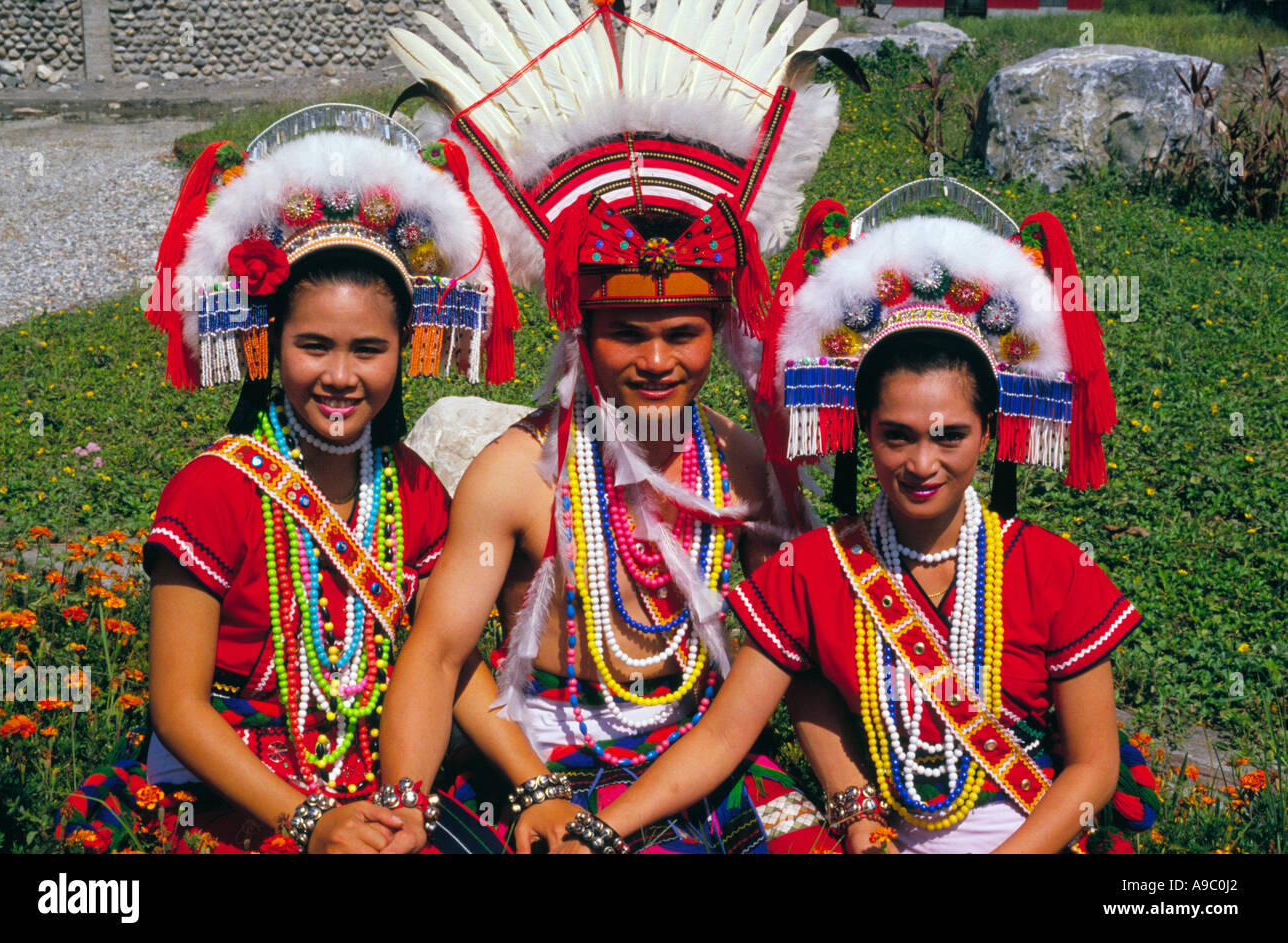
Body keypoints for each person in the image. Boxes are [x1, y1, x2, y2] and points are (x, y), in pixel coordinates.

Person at [379, 0, 859, 853]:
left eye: (682, 333)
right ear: (581, 333)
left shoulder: (746, 471)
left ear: (719, 332)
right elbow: (439, 649)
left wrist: (853, 801)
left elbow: (802, 647)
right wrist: (404, 809)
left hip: (705, 753)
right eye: (626, 333)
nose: (656, 360)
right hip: (548, 759)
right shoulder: (518, 472)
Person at [559, 191, 1158, 854]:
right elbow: (726, 736)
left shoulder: (1051, 569)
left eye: (949, 436)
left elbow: (1093, 767)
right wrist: (599, 830)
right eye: (896, 436)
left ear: (988, 433)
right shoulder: (813, 569)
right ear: (863, 430)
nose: (922, 464)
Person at [56, 104, 518, 854]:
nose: (340, 376)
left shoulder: (415, 489)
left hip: (386, 768)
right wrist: (309, 821)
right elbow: (177, 708)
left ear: (408, 348)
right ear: (270, 341)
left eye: (368, 348)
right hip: (234, 787)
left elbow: (448, 655)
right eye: (313, 345)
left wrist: (521, 781)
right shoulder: (211, 492)